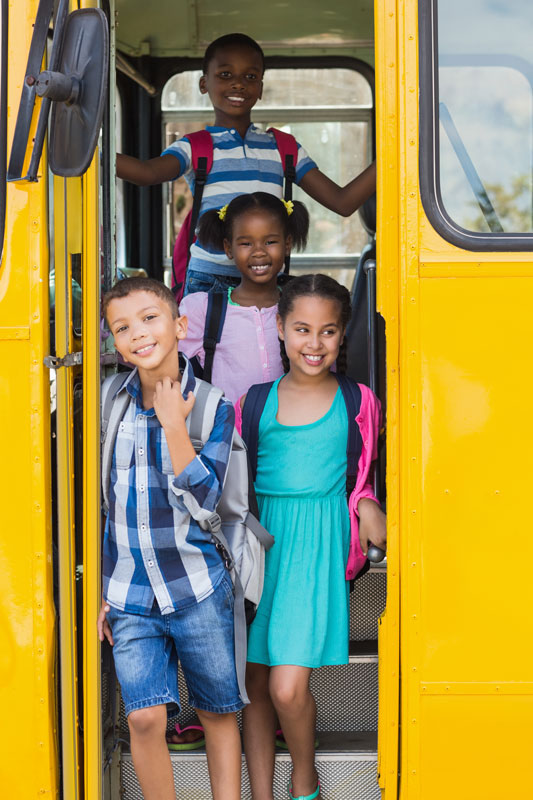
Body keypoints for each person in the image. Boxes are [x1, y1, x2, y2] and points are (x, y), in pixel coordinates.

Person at [234, 274, 387, 800]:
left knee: (286, 684)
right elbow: (236, 480)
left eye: (327, 331)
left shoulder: (359, 400)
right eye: (302, 329)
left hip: (316, 548)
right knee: (253, 685)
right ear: (280, 329)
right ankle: (261, 793)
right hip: (259, 548)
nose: (314, 344)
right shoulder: (253, 402)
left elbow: (361, 471)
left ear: (343, 335)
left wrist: (367, 502)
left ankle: (304, 778)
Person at [97, 277, 243, 800]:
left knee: (217, 712)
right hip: (129, 595)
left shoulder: (213, 406)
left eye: (149, 318)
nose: (137, 333)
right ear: (112, 340)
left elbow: (205, 501)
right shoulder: (109, 404)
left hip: (197, 587)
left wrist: (175, 428)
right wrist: (100, 592)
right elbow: (105, 506)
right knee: (143, 718)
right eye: (121, 327)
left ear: (180, 326)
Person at [116, 32, 376, 295]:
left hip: (267, 283)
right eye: (226, 75)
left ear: (260, 89)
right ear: (204, 84)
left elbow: (343, 202)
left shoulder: (284, 148)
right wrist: (93, 150)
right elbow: (146, 173)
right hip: (208, 282)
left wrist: (396, 154)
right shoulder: (195, 146)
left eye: (250, 77)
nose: (238, 84)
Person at [179, 191, 309, 404]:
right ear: (228, 248)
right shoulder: (202, 310)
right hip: (226, 435)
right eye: (246, 243)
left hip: (289, 435)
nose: (259, 252)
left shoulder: (302, 308)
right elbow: (170, 367)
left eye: (270, 242)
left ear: (287, 244)